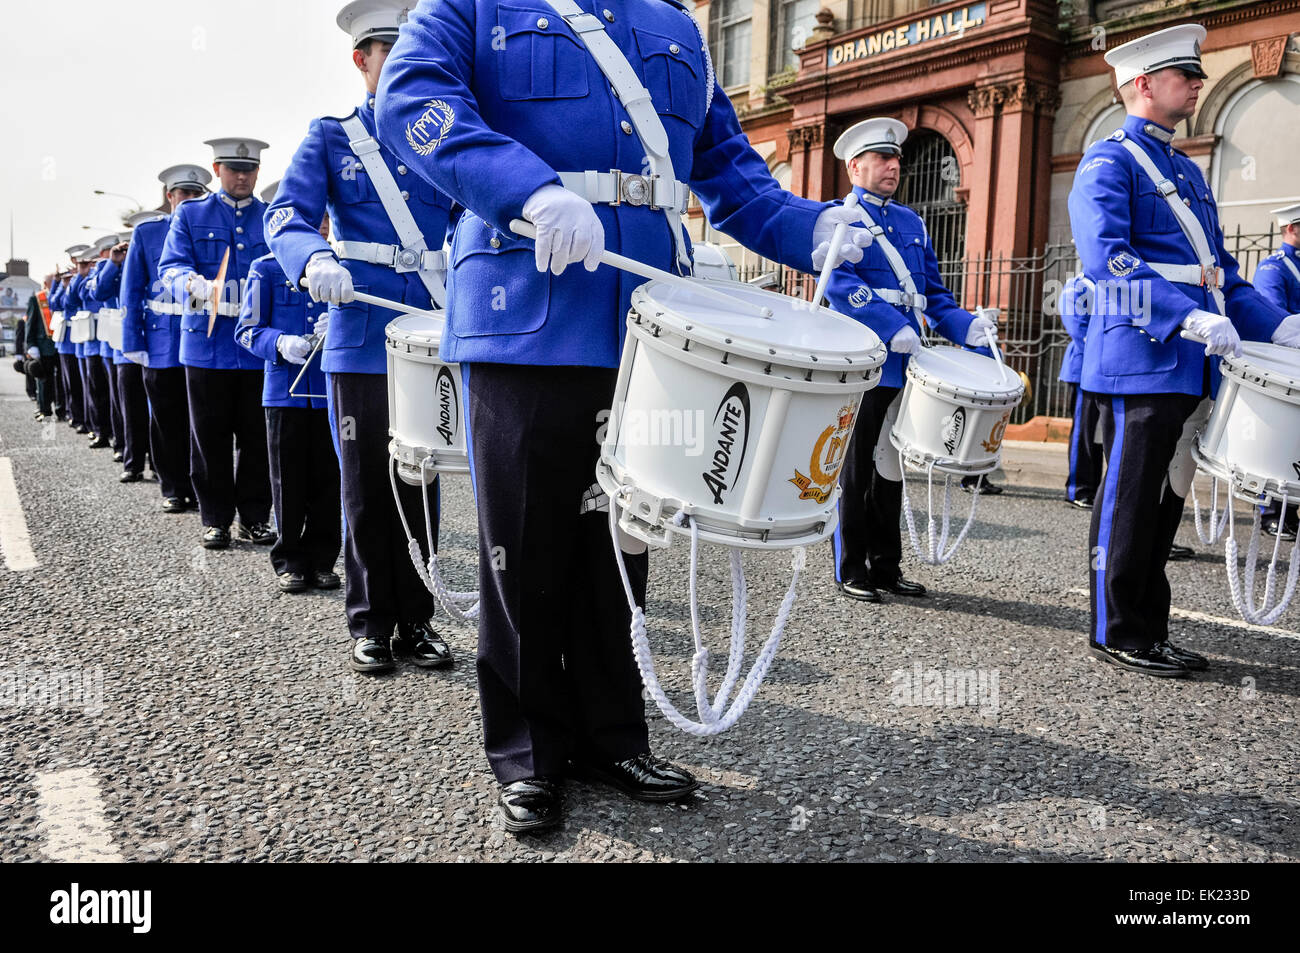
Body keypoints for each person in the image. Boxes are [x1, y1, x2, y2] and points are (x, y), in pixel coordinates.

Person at [375, 0, 871, 832]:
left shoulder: (674, 27)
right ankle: (530, 750)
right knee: (525, 543)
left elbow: (729, 173)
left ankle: (611, 733)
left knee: (622, 538)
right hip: (524, 307)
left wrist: (808, 226)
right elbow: (413, 101)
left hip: (650, 323)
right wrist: (522, 191)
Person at [1068, 24, 1300, 677]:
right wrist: (1187, 318)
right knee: (1132, 495)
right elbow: (1108, 262)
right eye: (1185, 76)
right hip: (1146, 351)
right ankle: (1118, 627)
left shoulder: (1184, 170)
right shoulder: (1109, 162)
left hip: (1191, 360)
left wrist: (1274, 324)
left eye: (1197, 75)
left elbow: (1220, 270)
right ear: (1143, 84)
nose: (1198, 83)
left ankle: (1151, 626)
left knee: (1166, 497)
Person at [266, 0, 454, 674]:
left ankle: (417, 619)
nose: (400, 64)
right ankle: (371, 618)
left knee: (422, 480)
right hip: (361, 330)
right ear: (361, 59)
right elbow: (287, 214)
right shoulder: (332, 135)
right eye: (386, 51)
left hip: (432, 331)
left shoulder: (445, 134)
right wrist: (313, 259)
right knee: (367, 485)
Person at [824, 117, 998, 604]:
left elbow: (934, 297)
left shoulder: (912, 223)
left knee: (890, 464)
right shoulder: (838, 220)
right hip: (867, 357)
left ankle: (886, 564)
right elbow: (840, 284)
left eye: (896, 158)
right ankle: (850, 566)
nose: (893, 166)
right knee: (855, 466)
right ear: (855, 165)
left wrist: (966, 326)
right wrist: (889, 324)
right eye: (882, 158)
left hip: (911, 362)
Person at [160, 139, 276, 550]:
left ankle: (256, 517)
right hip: (206, 346)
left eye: (248, 169)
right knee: (209, 437)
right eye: (232, 168)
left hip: (257, 346)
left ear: (258, 172)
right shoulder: (192, 214)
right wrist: (190, 283)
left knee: (257, 439)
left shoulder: (270, 217)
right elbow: (170, 266)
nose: (241, 176)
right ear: (217, 169)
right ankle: (215, 519)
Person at [237, 210, 342, 594]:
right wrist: (280, 343)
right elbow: (246, 331)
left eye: (325, 216)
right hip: (285, 390)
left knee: (330, 481)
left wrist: (341, 328)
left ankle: (324, 558)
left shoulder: (343, 265)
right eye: (312, 218)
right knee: (288, 480)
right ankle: (290, 559)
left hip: (331, 390)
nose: (321, 225)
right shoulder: (265, 269)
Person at [121, 166, 212, 513]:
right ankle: (173, 486)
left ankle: (200, 486)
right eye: (182, 194)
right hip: (160, 342)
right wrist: (134, 341)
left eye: (195, 194)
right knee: (165, 419)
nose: (188, 200)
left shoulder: (211, 227)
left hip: (203, 336)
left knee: (201, 422)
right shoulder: (147, 233)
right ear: (169, 197)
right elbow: (130, 291)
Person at [1251, 202, 1300, 540]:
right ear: (1289, 228)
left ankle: (1290, 509)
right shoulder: (1273, 267)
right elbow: (1274, 315)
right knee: (1279, 438)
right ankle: (1271, 511)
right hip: (1286, 360)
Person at [1059, 276, 1103, 509]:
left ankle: (1093, 488)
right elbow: (1077, 326)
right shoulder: (1078, 286)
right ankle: (1078, 488)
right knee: (1084, 431)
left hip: (1103, 369)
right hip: (1084, 368)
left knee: (1098, 434)